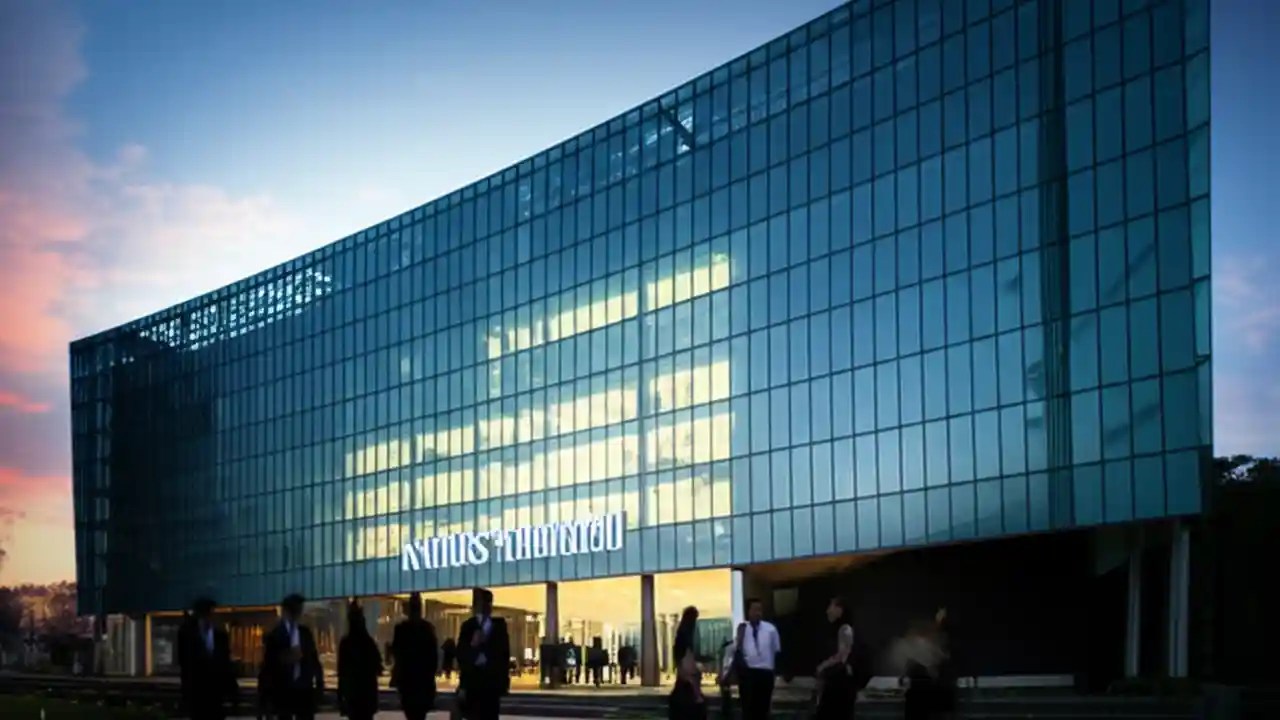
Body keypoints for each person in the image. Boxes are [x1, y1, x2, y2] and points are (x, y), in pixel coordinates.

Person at [262, 593, 324, 720]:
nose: (299, 613)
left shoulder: (305, 633)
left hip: (304, 690)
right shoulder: (275, 635)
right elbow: (269, 666)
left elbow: (313, 660)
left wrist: (319, 683)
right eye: (296, 609)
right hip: (284, 691)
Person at [177, 597, 238, 720]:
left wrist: (233, 692)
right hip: (196, 693)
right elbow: (185, 664)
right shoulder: (187, 635)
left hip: (216, 693)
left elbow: (226, 665)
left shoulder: (220, 636)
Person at [456, 587, 511, 720]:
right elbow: (461, 655)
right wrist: (473, 647)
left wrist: (503, 682)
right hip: (473, 684)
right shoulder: (468, 626)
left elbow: (504, 655)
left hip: (491, 684)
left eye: (488, 603)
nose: (485, 606)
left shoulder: (498, 626)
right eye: (482, 603)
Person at [390, 592, 439, 720]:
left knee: (411, 713)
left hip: (407, 682)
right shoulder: (428, 629)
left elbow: (397, 653)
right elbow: (433, 658)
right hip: (423, 682)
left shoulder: (401, 629)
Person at [337, 601, 383, 720]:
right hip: (367, 694)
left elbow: (342, 672)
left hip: (352, 694)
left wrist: (341, 697)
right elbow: (378, 667)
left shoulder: (346, 644)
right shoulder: (368, 642)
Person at [737, 598, 782, 720]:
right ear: (748, 611)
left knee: (763, 707)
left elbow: (776, 650)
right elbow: (738, 649)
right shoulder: (743, 629)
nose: (757, 613)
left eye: (760, 610)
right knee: (748, 708)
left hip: (766, 672)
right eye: (754, 610)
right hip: (749, 672)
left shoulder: (770, 629)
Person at [814, 597, 858, 720]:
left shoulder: (845, 629)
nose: (828, 611)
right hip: (837, 681)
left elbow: (842, 655)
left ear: (840, 610)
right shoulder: (836, 630)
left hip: (840, 683)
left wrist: (823, 666)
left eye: (831, 607)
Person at [668, 606, 706, 720]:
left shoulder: (680, 636)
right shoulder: (686, 638)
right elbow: (687, 663)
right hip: (687, 687)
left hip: (683, 683)